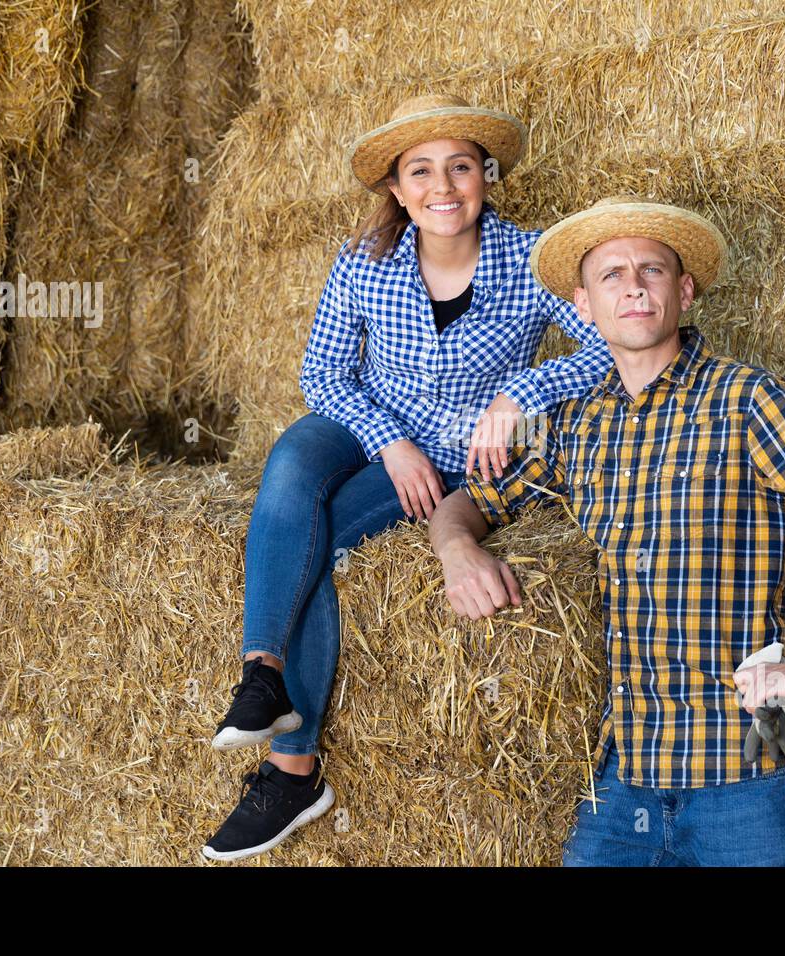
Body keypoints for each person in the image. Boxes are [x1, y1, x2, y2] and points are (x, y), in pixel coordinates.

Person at [428, 196, 785, 866]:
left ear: (685, 291)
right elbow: (467, 502)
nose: (632, 284)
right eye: (611, 274)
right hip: (625, 774)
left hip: (751, 770)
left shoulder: (747, 402)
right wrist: (456, 548)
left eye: (652, 270)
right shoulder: (577, 425)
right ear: (583, 305)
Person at [201, 95, 613, 861]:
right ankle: (262, 676)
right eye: (420, 171)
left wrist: (526, 389)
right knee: (291, 460)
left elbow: (612, 345)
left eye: (460, 166)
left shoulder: (530, 261)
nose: (443, 186)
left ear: (485, 176)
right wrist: (388, 440)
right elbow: (322, 371)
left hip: (457, 453)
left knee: (322, 545)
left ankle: (293, 769)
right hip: (366, 427)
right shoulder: (366, 261)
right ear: (396, 188)